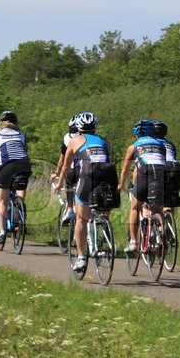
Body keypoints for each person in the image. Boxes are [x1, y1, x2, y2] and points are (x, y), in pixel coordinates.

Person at [53, 112, 117, 271]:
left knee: (81, 219)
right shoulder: (103, 140)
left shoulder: (74, 141)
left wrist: (59, 184)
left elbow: (66, 166)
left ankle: (81, 258)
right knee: (103, 207)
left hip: (87, 175)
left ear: (78, 127)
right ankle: (105, 228)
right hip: (108, 174)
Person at [118, 119, 167, 253]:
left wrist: (121, 185)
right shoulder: (161, 145)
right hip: (161, 176)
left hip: (144, 175)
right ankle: (162, 238)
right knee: (157, 209)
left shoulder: (133, 147)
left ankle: (133, 242)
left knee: (135, 208)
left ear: (137, 134)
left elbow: (126, 169)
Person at [0, 111, 32, 244]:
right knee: (19, 194)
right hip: (24, 166)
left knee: (2, 201)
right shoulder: (21, 134)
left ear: (1, 122)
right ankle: (19, 212)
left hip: (7, 167)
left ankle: (2, 233)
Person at [50, 115, 79, 225]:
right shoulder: (88, 137)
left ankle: (70, 209)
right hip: (88, 171)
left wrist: (57, 173)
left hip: (72, 170)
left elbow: (63, 160)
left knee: (69, 185)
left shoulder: (68, 138)